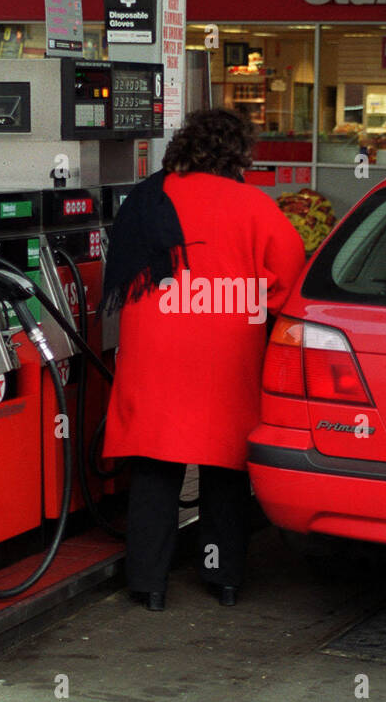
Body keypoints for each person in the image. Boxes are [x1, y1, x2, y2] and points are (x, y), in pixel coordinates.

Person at [101, 108, 306, 611]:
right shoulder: (255, 207)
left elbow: (120, 271)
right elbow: (287, 279)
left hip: (155, 352)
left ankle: (148, 584)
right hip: (226, 355)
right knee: (226, 469)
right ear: (238, 154)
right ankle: (223, 577)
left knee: (155, 466)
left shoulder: (147, 199)